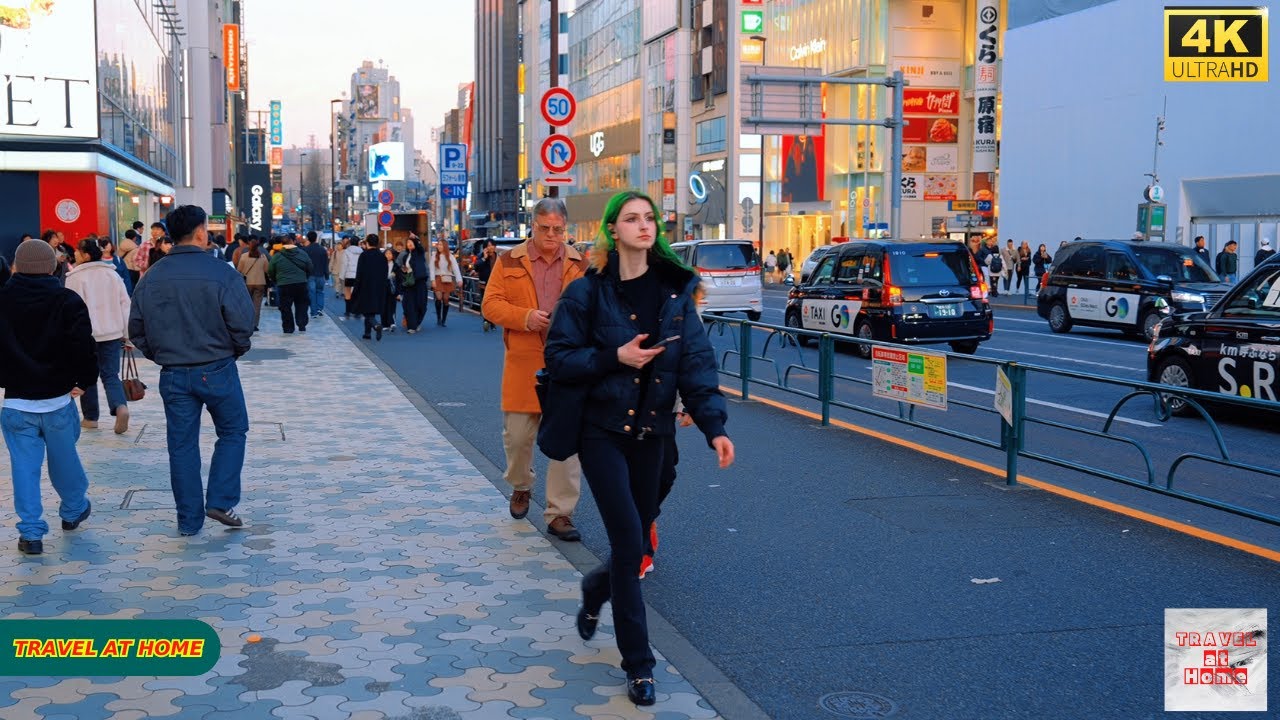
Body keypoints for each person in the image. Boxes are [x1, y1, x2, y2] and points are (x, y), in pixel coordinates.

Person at [545, 190, 734, 705]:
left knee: (638, 544)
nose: (644, 226)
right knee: (630, 544)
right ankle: (640, 666)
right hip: (601, 431)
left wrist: (714, 424)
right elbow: (560, 358)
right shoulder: (587, 293)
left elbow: (696, 365)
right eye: (632, 219)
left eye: (650, 218)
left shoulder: (675, 294)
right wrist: (615, 357)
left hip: (655, 433)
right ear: (613, 230)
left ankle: (595, 589)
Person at [127, 205, 255, 536]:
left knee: (181, 445)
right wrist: (233, 350)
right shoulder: (223, 273)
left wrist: (161, 355)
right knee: (232, 430)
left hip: (174, 371)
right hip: (217, 366)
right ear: (200, 232)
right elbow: (242, 324)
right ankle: (221, 499)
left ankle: (188, 521)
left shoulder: (152, 276)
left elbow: (137, 328)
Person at [481, 197, 587, 541]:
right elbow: (490, 304)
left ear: (565, 229)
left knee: (567, 444)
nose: (552, 235)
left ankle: (560, 513)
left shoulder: (580, 263)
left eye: (558, 229)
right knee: (517, 438)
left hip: (568, 362)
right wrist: (525, 317)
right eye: (545, 228)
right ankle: (521, 484)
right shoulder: (509, 259)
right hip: (524, 360)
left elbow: (596, 307)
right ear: (533, 225)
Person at [0, 239, 98, 555]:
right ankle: (72, 510)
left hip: (16, 402)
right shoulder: (66, 300)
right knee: (65, 459)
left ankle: (30, 534)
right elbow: (83, 344)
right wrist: (85, 380)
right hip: (57, 400)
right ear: (52, 266)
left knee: (23, 469)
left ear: (17, 266)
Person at [64, 238, 132, 434]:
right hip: (112, 333)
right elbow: (125, 305)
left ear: (86, 255)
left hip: (86, 335)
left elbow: (70, 310)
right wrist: (127, 336)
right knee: (111, 375)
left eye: (78, 251)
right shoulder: (112, 275)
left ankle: (91, 417)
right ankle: (121, 406)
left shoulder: (75, 278)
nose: (74, 253)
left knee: (87, 375)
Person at [266, 234, 312, 333]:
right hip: (301, 283)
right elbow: (310, 267)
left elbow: (270, 270)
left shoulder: (277, 256)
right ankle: (301, 324)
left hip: (284, 284)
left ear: (282, 244)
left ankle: (288, 327)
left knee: (285, 307)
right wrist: (304, 277)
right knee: (301, 305)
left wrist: (276, 280)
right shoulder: (302, 253)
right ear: (292, 241)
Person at [350, 234, 390, 340]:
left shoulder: (364, 256)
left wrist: (356, 287)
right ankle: (367, 333)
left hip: (366, 286)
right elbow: (385, 273)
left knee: (366, 310)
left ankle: (376, 326)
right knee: (371, 310)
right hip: (379, 287)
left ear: (367, 243)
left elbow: (359, 273)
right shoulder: (382, 256)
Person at [429, 235, 464, 327]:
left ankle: (444, 319)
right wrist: (432, 280)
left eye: (441, 245)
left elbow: (456, 269)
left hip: (447, 279)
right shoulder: (434, 256)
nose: (439, 246)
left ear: (445, 246)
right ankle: (439, 318)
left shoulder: (450, 256)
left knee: (446, 299)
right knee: (439, 297)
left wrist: (459, 279)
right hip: (438, 278)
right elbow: (432, 269)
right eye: (438, 244)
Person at [397, 235, 429, 333]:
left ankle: (417, 322)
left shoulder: (419, 253)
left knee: (421, 304)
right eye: (408, 243)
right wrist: (404, 271)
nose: (409, 244)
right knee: (408, 304)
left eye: (412, 242)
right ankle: (412, 326)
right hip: (409, 283)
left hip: (420, 281)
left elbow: (420, 247)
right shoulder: (406, 255)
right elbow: (403, 268)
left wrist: (415, 238)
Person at [237, 239, 269, 331]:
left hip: (247, 283)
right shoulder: (262, 256)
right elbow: (267, 270)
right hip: (260, 282)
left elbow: (239, 270)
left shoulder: (243, 256)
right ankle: (255, 324)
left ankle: (247, 322)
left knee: (247, 304)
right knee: (257, 305)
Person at [301, 231, 329, 318]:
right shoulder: (322, 250)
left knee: (311, 293)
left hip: (310, 275)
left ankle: (313, 312)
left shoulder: (305, 250)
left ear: (308, 239)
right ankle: (320, 309)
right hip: (320, 274)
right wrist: (327, 275)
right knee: (320, 291)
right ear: (316, 238)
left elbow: (304, 264)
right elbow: (325, 263)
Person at [473, 240, 499, 332]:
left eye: (492, 245)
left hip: (496, 284)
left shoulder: (498, 257)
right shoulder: (481, 256)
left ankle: (492, 322)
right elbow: (476, 267)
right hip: (485, 283)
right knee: (485, 303)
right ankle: (487, 320)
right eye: (488, 246)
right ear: (485, 248)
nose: (490, 247)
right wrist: (484, 258)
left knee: (494, 303)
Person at [341, 235, 363, 318]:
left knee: (347, 293)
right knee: (358, 293)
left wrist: (342, 276)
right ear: (358, 243)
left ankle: (348, 311)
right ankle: (357, 312)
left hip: (349, 274)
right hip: (358, 275)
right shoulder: (362, 252)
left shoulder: (347, 251)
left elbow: (344, 264)